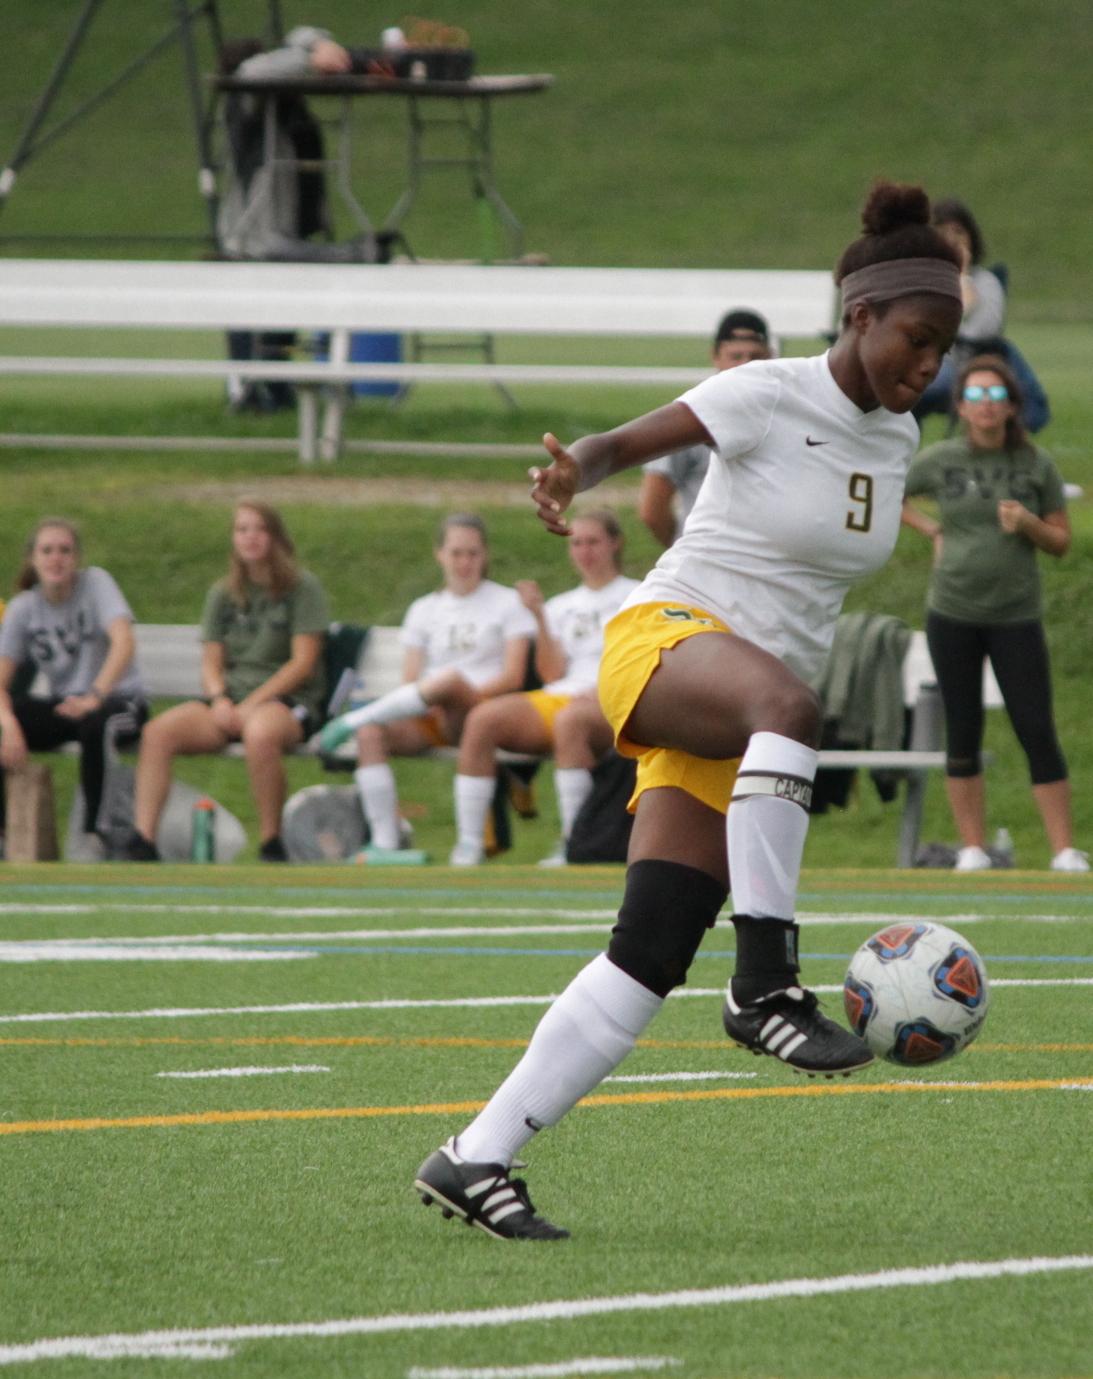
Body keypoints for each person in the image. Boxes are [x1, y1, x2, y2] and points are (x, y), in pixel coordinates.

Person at [411, 181, 963, 1239]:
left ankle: (475, 1154)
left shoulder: (893, 438)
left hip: (739, 718)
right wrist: (576, 467)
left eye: (942, 347)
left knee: (649, 948)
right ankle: (764, 985)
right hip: (665, 643)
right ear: (859, 315)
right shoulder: (765, 389)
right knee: (793, 703)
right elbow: (627, 442)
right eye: (915, 339)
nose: (926, 365)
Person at [901, 354, 1085, 873]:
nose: (986, 407)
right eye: (976, 397)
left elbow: (1061, 542)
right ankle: (974, 849)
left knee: (1035, 726)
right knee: (963, 727)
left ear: (1011, 406)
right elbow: (888, 492)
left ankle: (1064, 850)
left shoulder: (1035, 465)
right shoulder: (940, 459)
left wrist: (1027, 523)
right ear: (960, 405)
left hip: (1015, 615)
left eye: (996, 396)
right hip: (952, 610)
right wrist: (931, 529)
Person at [118, 500, 328, 865]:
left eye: (260, 529)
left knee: (260, 734)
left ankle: (271, 842)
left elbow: (302, 663)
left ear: (276, 536)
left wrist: (251, 705)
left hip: (285, 700)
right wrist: (219, 699)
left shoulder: (302, 588)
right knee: (157, 734)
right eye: (242, 529)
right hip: (230, 702)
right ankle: (143, 841)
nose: (251, 538)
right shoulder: (223, 593)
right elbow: (212, 661)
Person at [316, 514, 537, 858]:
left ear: (485, 555)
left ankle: (469, 845)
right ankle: (385, 845)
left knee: (450, 680)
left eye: (473, 554)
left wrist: (453, 692)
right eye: (456, 553)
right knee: (371, 734)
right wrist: (431, 697)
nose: (465, 562)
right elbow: (410, 680)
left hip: (482, 712)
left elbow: (513, 676)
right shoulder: (424, 609)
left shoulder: (507, 603)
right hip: (433, 712)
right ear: (440, 554)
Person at [445, 508, 639, 867]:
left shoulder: (638, 595)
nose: (584, 551)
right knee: (483, 718)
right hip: (566, 695)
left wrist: (606, 690)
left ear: (615, 543)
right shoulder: (562, 605)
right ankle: (469, 845)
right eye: (576, 543)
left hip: (616, 701)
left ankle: (574, 843)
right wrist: (538, 616)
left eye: (593, 541)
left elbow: (647, 660)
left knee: (570, 721)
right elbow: (551, 674)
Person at [0, 519, 148, 861]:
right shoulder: (24, 607)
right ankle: (1, 834)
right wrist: (9, 724)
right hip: (67, 704)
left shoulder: (96, 583)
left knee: (96, 726)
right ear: (32, 559)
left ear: (77, 558)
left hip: (118, 700)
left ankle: (94, 836)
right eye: (47, 551)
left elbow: (124, 642)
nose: (56, 559)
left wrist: (94, 696)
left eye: (64, 551)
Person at [911, 199, 1049, 433]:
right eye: (942, 232)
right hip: (921, 360)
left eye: (958, 231)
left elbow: (981, 331)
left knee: (927, 384)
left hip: (966, 362)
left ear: (971, 238)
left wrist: (962, 276)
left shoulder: (986, 283)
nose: (951, 239)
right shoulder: (917, 280)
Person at [637, 310, 774, 546]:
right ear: (715, 357)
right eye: (736, 356)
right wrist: (684, 551)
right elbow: (652, 508)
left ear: (770, 357)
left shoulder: (784, 415)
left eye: (755, 356)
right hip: (707, 555)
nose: (745, 366)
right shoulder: (690, 417)